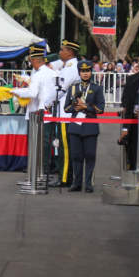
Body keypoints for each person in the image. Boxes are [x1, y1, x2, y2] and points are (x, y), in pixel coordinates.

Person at [63, 60, 105, 193]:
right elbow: (66, 107)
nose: (85, 73)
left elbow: (100, 109)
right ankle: (76, 183)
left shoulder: (97, 88)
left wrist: (85, 106)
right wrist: (76, 107)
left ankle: (88, 184)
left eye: (87, 71)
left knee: (90, 155)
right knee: (76, 156)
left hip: (90, 126)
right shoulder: (73, 87)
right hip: (75, 126)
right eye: (83, 71)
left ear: (91, 71)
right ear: (79, 72)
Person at [51, 40, 81, 186]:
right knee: (63, 148)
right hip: (64, 113)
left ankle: (65, 178)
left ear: (69, 52)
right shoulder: (68, 66)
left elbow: (60, 90)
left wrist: (48, 102)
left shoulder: (71, 68)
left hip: (66, 114)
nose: (60, 52)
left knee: (65, 149)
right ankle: (64, 177)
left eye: (62, 50)